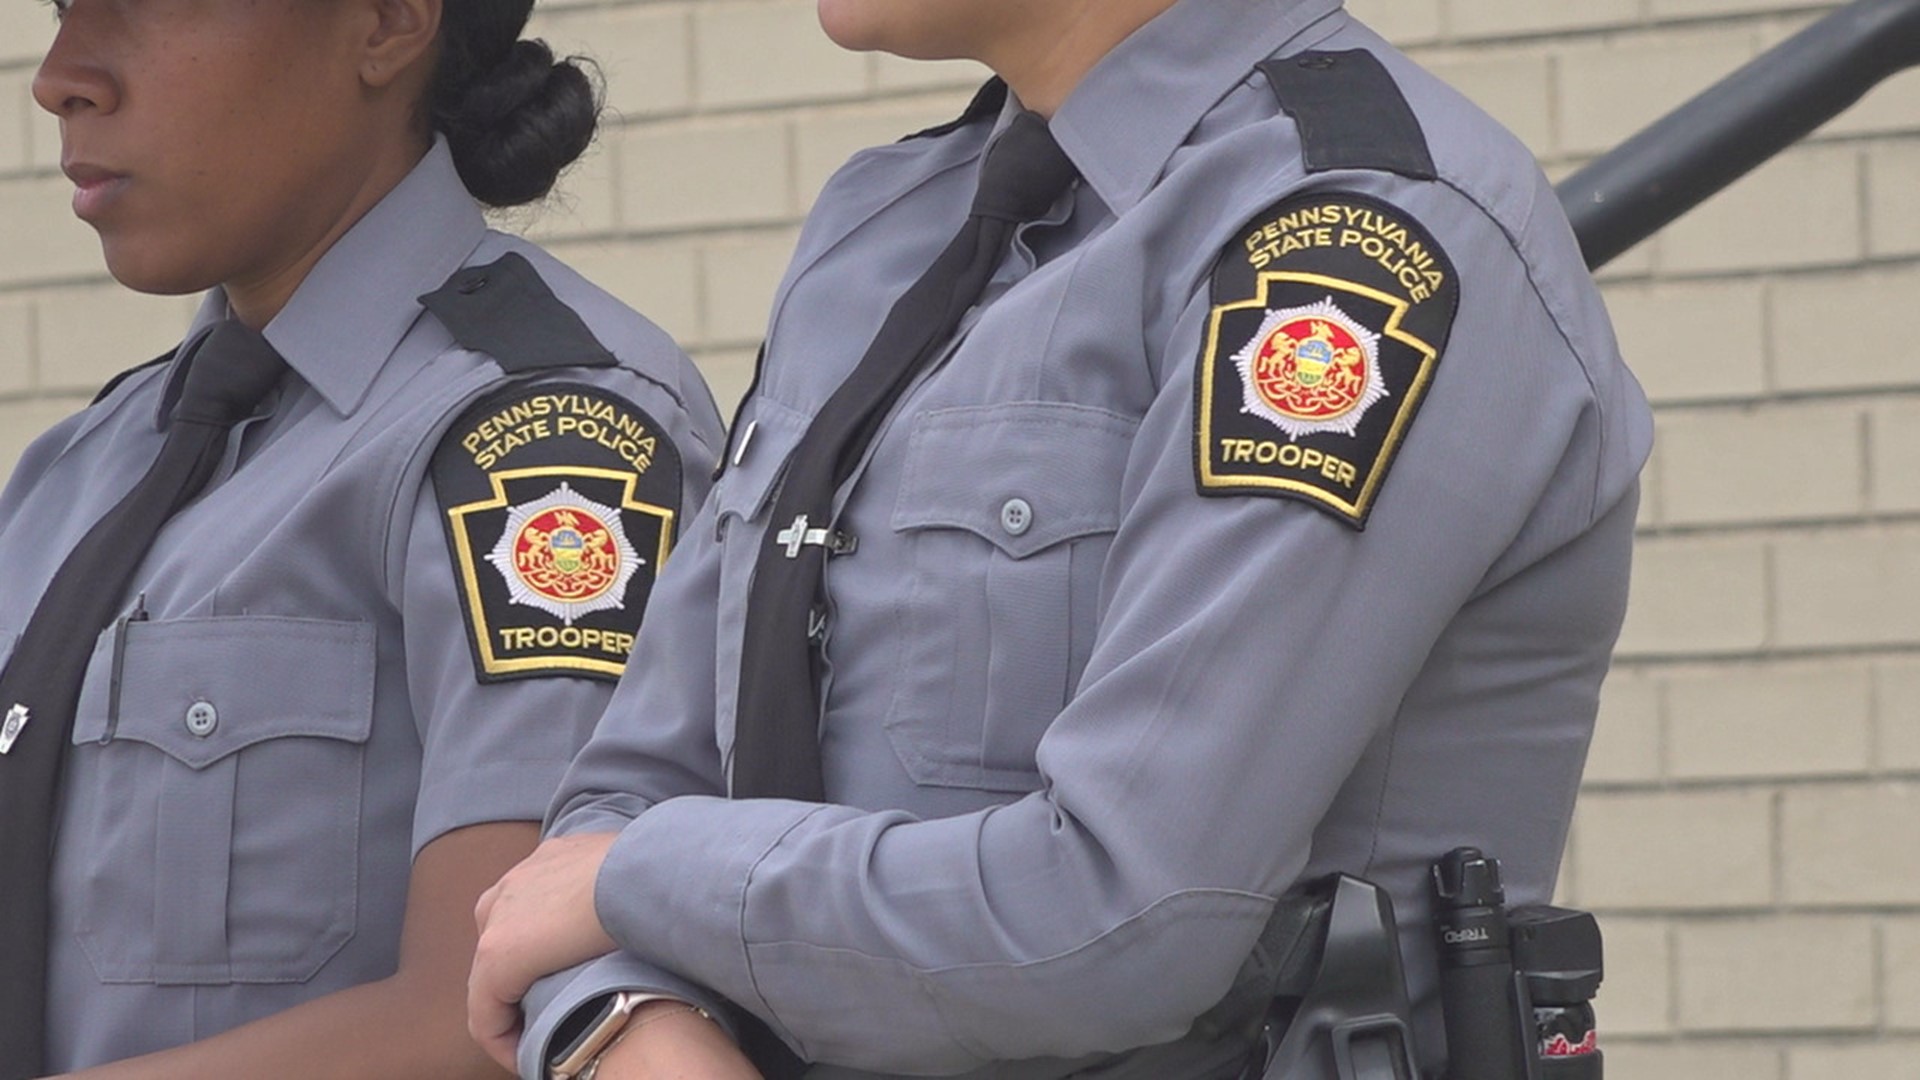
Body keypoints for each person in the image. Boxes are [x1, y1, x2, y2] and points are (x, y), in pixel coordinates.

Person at [468, 0, 1653, 1077]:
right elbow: (609, 813)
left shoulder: (1347, 237)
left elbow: (1130, 914)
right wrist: (629, 1025)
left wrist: (641, 887)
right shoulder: (880, 229)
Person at [0, 0, 723, 1076]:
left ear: (387, 22)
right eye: (62, 10)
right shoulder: (77, 468)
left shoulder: (543, 438)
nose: (62, 77)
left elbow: (500, 1008)